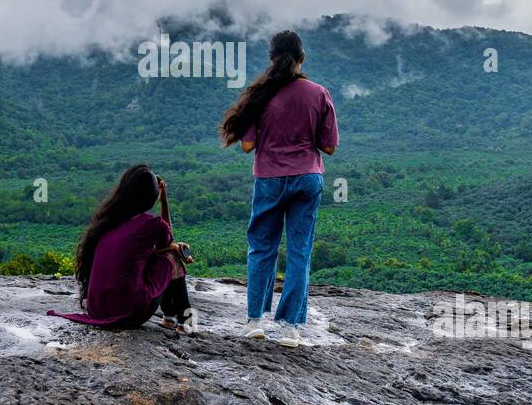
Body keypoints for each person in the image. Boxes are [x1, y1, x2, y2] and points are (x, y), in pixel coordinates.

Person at [220, 30, 338, 347]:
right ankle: (290, 328)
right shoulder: (319, 93)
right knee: (299, 252)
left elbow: (247, 145)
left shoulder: (261, 95)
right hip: (307, 177)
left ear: (272, 59)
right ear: (301, 58)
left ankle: (255, 320)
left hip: (269, 178)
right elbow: (329, 147)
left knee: (262, 248)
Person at [47, 163, 198, 333]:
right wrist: (164, 201)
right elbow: (167, 239)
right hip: (130, 312)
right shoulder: (153, 224)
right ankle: (185, 322)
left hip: (98, 310)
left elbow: (143, 253)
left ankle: (169, 319)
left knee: (165, 253)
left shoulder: (110, 221)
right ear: (152, 195)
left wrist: (171, 247)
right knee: (172, 258)